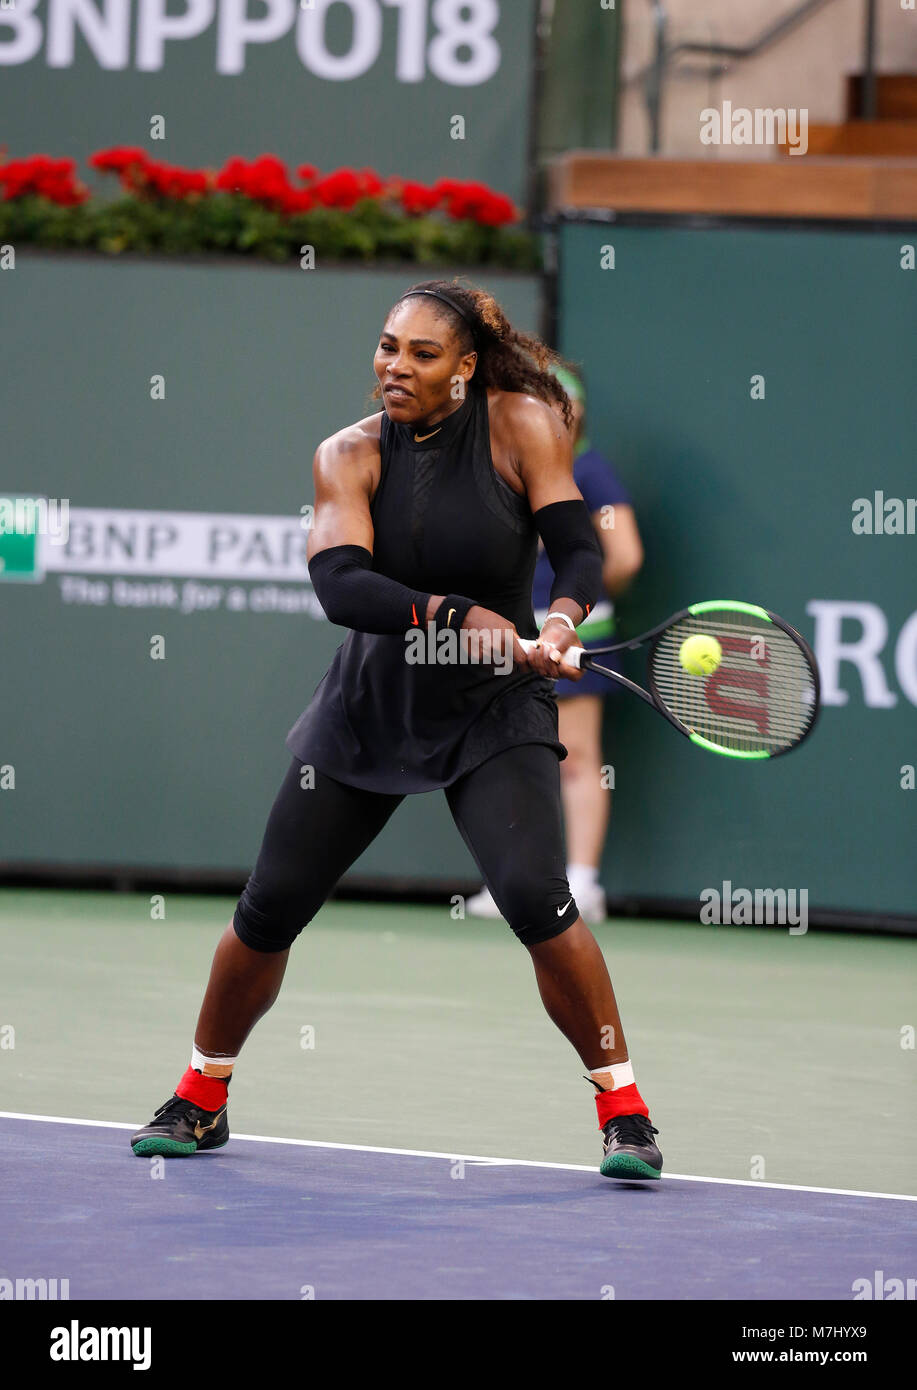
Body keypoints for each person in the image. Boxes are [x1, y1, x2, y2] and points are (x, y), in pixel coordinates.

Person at [130, 279, 662, 1181]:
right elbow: (341, 585)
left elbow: (576, 546)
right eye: (386, 347)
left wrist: (563, 618)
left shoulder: (522, 424)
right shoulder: (348, 454)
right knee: (268, 909)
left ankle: (625, 1112)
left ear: (465, 367)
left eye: (421, 354)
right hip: (371, 706)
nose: (394, 367)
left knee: (539, 903)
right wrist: (455, 615)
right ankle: (201, 1094)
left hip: (496, 709)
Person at [467, 366, 643, 923]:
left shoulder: (588, 470)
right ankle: (518, 883)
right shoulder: (507, 464)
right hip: (511, 636)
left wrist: (578, 606)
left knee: (578, 759)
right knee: (510, 756)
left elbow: (626, 556)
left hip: (574, 639)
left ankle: (583, 884)